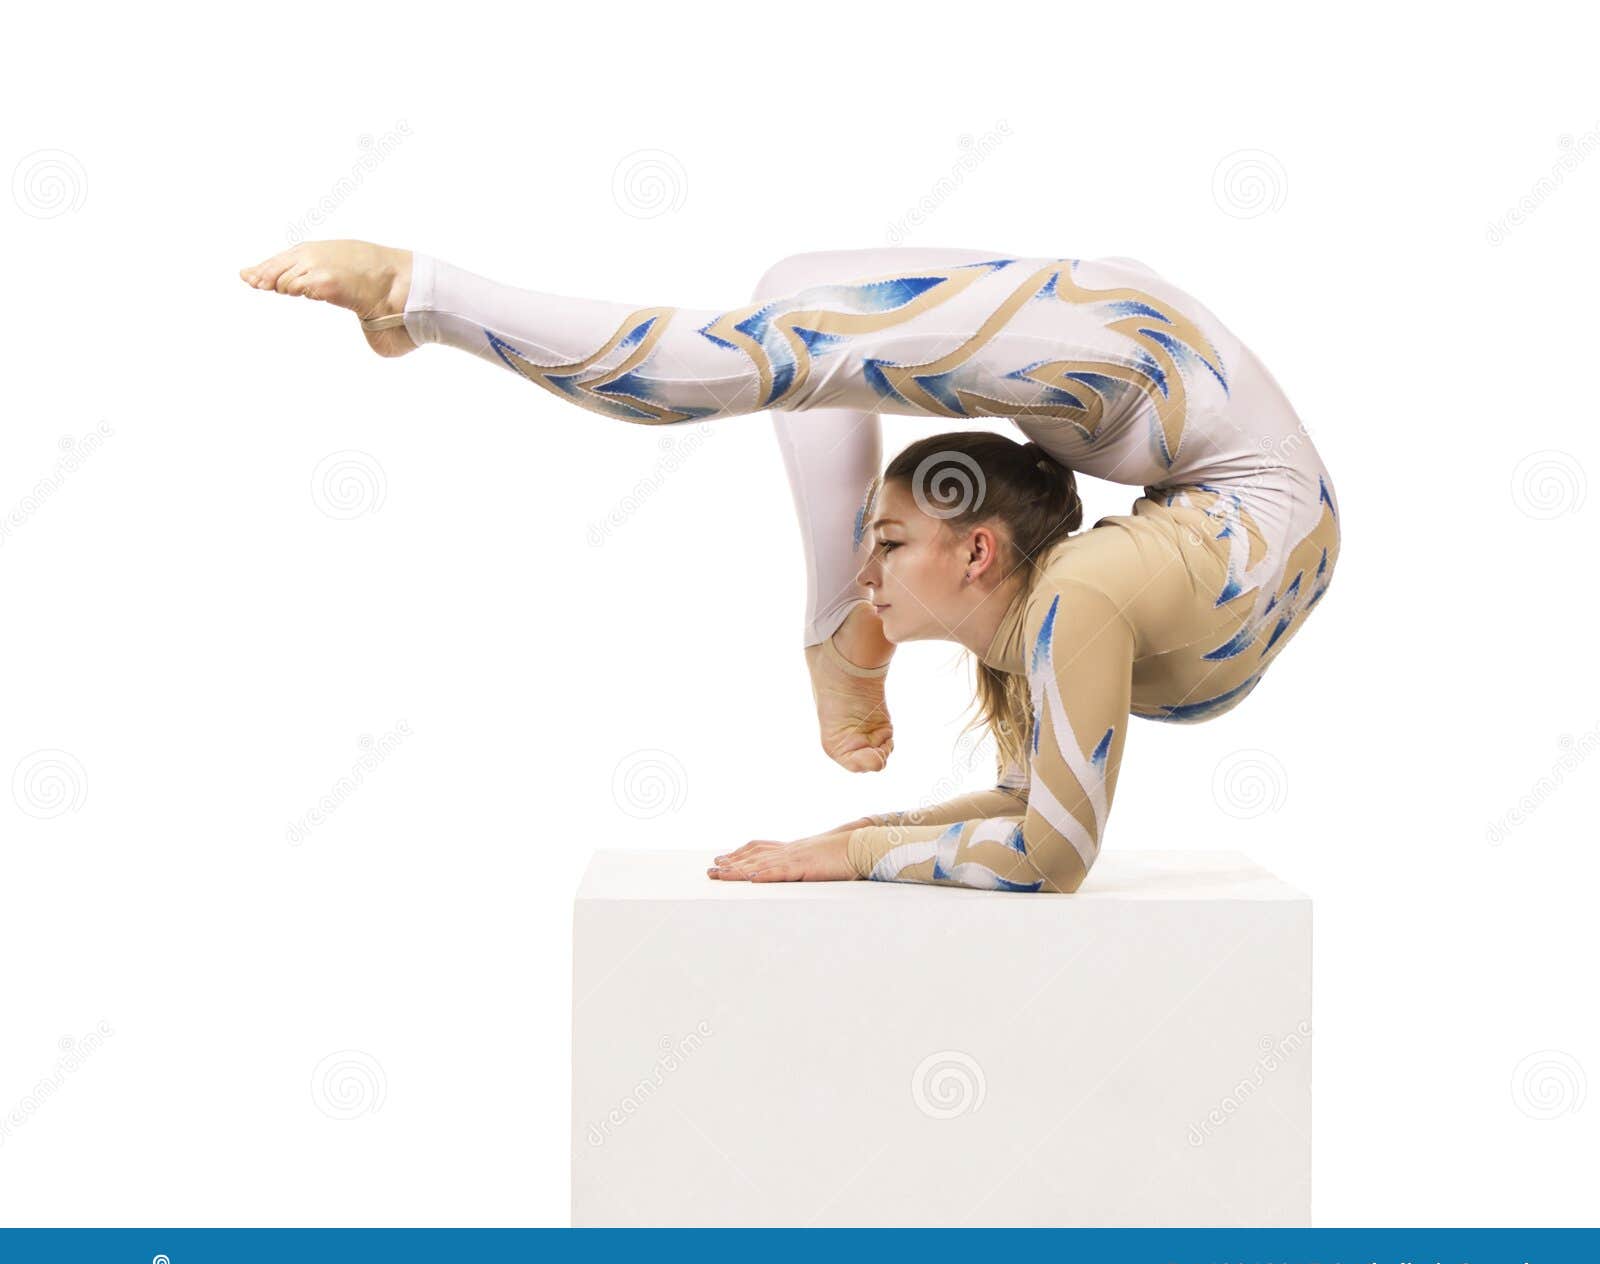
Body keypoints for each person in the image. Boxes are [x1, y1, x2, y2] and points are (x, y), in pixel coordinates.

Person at [238, 239, 1338, 891]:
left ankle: (834, 643)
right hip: (1152, 377)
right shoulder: (1083, 597)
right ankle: (416, 293)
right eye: (884, 544)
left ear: (977, 546)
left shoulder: (1079, 602)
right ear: (981, 547)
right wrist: (853, 847)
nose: (876, 560)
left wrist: (842, 848)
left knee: (794, 310)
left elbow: (1043, 837)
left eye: (884, 539)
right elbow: (1040, 837)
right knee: (776, 348)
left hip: (1174, 403)